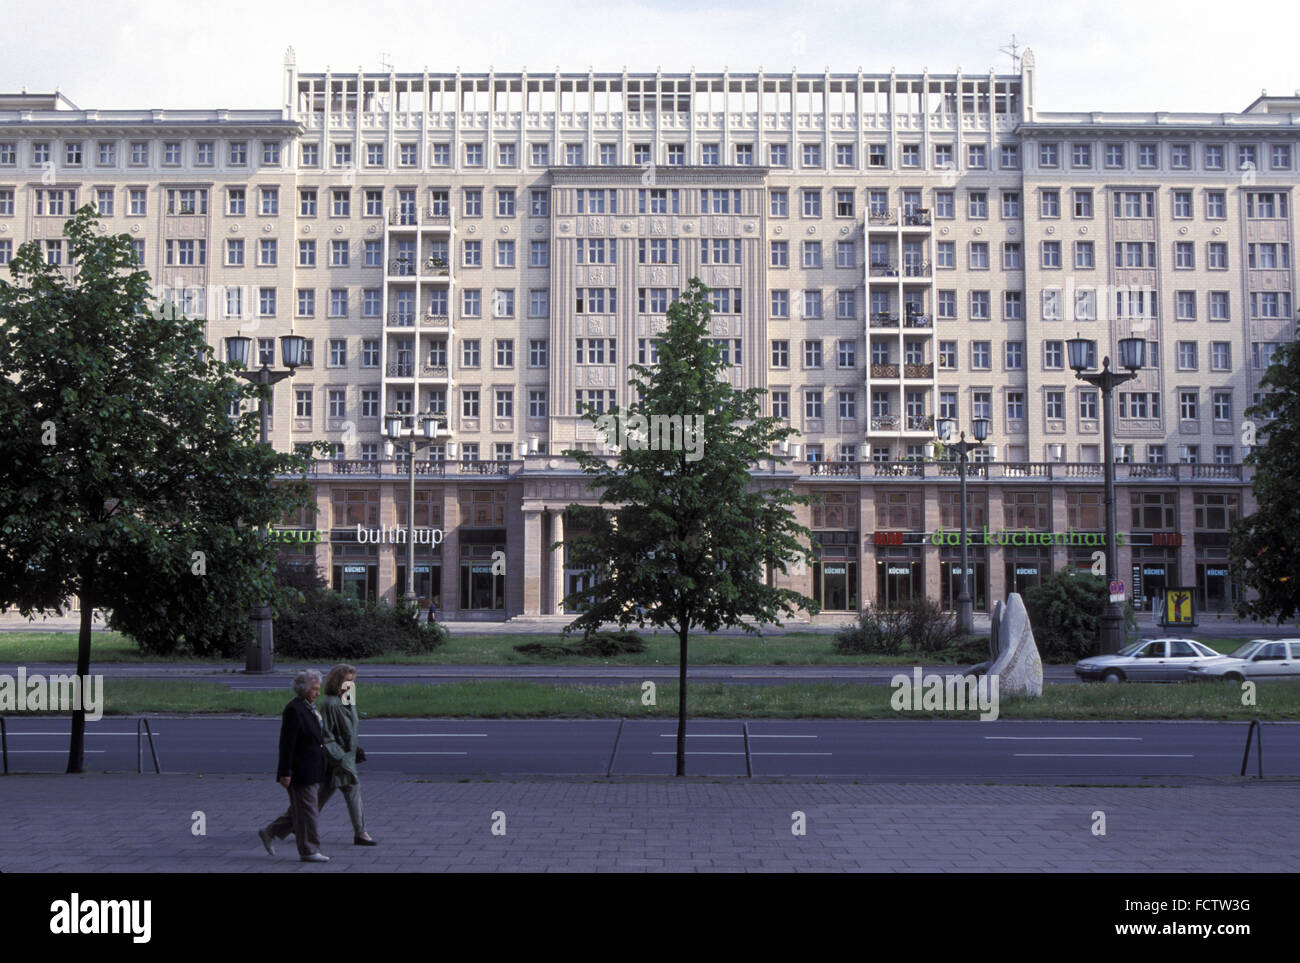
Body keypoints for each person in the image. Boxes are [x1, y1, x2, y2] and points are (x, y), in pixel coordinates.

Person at [258, 669, 330, 862]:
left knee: (303, 809)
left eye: (318, 688)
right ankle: (308, 850)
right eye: (314, 689)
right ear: (303, 689)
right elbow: (287, 744)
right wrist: (285, 772)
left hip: (313, 767)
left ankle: (270, 831)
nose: (317, 692)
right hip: (300, 770)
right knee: (307, 813)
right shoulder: (294, 709)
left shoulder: (309, 707)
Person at [317, 663, 376, 846]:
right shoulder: (331, 704)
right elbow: (327, 735)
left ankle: (291, 824)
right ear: (337, 681)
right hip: (340, 759)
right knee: (353, 791)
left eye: (353, 681)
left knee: (321, 795)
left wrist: (354, 747)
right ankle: (361, 833)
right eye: (347, 681)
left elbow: (349, 728)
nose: (351, 684)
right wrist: (341, 756)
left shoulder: (347, 700)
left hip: (345, 756)